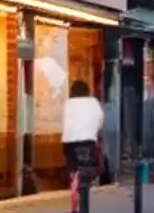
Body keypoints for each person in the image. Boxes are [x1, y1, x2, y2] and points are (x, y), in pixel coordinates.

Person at [62, 80, 105, 213]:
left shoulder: (67, 104)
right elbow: (100, 121)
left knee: (73, 169)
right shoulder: (93, 103)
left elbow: (64, 121)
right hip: (87, 141)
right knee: (86, 172)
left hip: (68, 142)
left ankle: (74, 180)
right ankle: (80, 186)